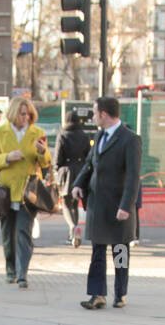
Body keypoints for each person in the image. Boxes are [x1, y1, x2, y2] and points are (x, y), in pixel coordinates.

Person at [71, 95, 142, 309]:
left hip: (118, 207)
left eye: (94, 113)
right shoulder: (100, 135)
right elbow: (90, 164)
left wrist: (126, 206)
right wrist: (78, 184)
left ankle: (120, 293)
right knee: (97, 252)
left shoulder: (130, 139)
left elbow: (133, 176)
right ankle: (97, 294)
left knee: (120, 252)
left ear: (103, 114)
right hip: (98, 205)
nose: (93, 117)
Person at [0, 96, 50, 289]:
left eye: (28, 115)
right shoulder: (0, 132)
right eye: (22, 114)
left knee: (24, 232)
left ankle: (23, 273)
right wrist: (8, 157)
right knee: (8, 234)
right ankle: (11, 269)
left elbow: (46, 162)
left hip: (28, 192)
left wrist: (42, 152)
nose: (25, 118)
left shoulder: (37, 132)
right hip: (5, 190)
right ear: (14, 114)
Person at [54, 109, 91, 249]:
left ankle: (73, 227)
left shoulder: (62, 135)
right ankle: (74, 232)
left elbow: (57, 158)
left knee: (66, 203)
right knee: (75, 203)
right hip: (81, 171)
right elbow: (89, 156)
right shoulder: (84, 136)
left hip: (66, 171)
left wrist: (56, 170)